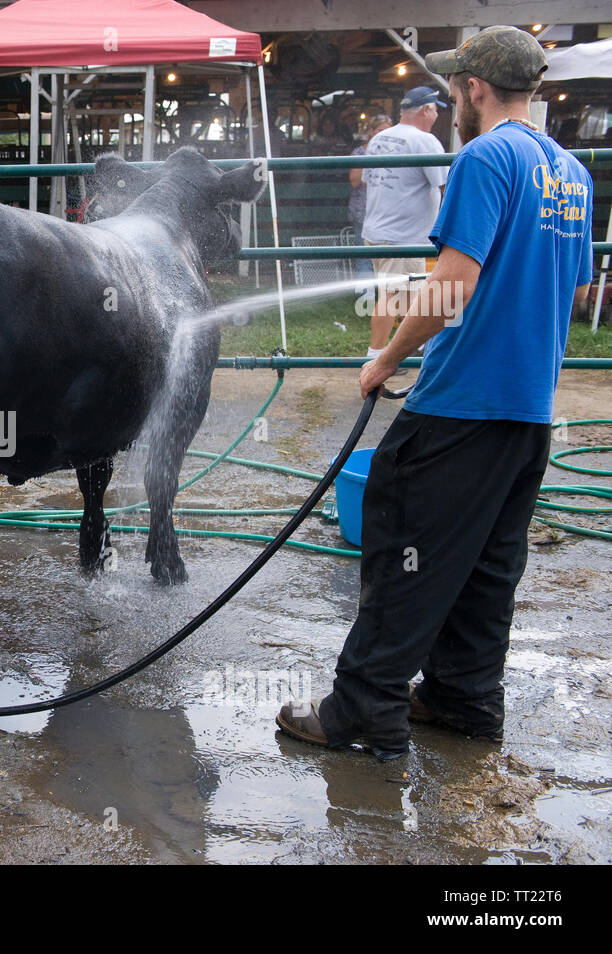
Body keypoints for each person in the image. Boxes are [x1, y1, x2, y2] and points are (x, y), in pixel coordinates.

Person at [276, 25, 594, 759]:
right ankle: (463, 699)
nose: (455, 97)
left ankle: (362, 710)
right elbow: (575, 287)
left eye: (458, 86)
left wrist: (385, 356)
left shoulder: (486, 156)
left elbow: (453, 285)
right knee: (487, 562)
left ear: (473, 89)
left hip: (462, 402)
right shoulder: (570, 172)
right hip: (527, 412)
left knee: (401, 532)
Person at [360, 87, 448, 360]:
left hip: (378, 231)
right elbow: (443, 184)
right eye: (434, 110)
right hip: (404, 237)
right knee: (393, 296)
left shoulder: (378, 139)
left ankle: (413, 350)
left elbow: (368, 181)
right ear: (425, 110)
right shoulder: (426, 141)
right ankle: (375, 356)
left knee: (410, 297)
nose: (435, 116)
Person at [347, 114, 392, 279]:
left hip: (387, 211)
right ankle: (366, 295)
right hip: (363, 210)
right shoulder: (360, 152)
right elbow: (354, 181)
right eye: (380, 130)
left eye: (388, 131)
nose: (384, 135)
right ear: (371, 132)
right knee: (364, 254)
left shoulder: (395, 153)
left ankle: (385, 292)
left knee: (388, 255)